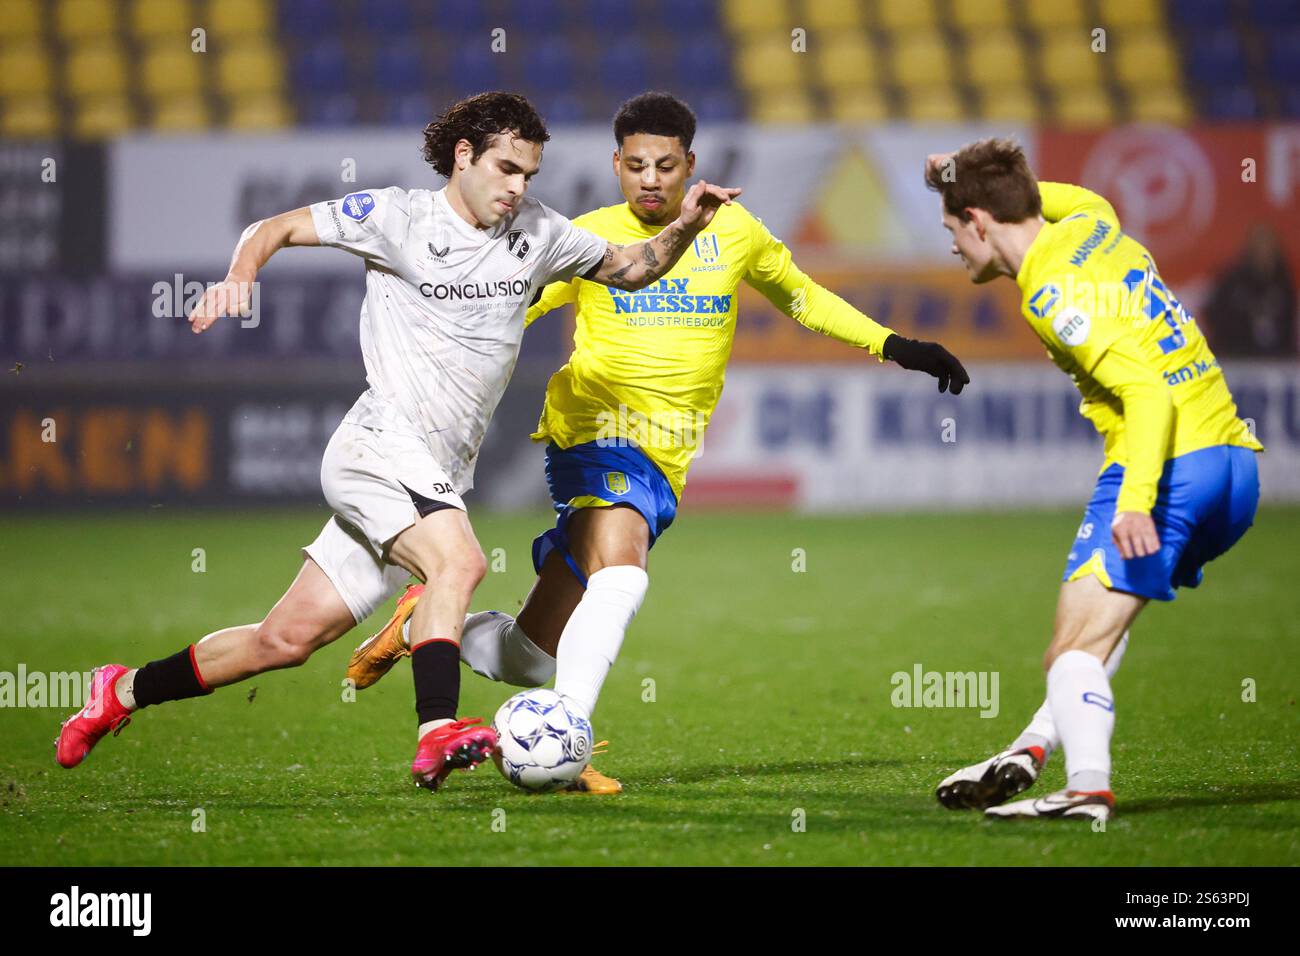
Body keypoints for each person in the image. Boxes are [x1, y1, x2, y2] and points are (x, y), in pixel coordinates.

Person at [55, 91, 740, 793]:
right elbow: (276, 226)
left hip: (432, 474)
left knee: (284, 640)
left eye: (528, 175)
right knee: (459, 562)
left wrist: (685, 226)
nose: (517, 187)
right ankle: (436, 729)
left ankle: (122, 691)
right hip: (381, 447)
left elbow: (631, 267)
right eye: (506, 169)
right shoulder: (395, 217)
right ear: (464, 156)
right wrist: (239, 277)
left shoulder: (539, 231)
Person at [347, 92, 969, 794]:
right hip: (597, 432)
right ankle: (566, 737)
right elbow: (510, 302)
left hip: (668, 458)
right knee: (623, 571)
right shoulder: (588, 238)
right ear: (616, 164)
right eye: (635, 165)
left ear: (690, 165)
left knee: (528, 656)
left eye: (664, 166)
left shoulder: (734, 232)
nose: (649, 179)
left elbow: (801, 297)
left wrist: (897, 345)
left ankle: (421, 624)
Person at [925, 139, 1262, 822]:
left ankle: (1087, 791)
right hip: (1234, 467)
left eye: (953, 227)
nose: (954, 246)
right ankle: (1030, 748)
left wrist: (1136, 503)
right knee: (1097, 630)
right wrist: (962, 177)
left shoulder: (1051, 291)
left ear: (979, 220)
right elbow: (1040, 198)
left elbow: (1146, 395)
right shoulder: (1094, 222)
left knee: (1070, 648)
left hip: (1167, 463)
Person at [1203, 224, 1296, 357]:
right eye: (1260, 247)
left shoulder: (1283, 283)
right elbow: (1213, 315)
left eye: (1268, 247)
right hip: (1236, 358)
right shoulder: (1232, 281)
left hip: (1277, 360)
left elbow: (1289, 324)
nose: (1264, 253)